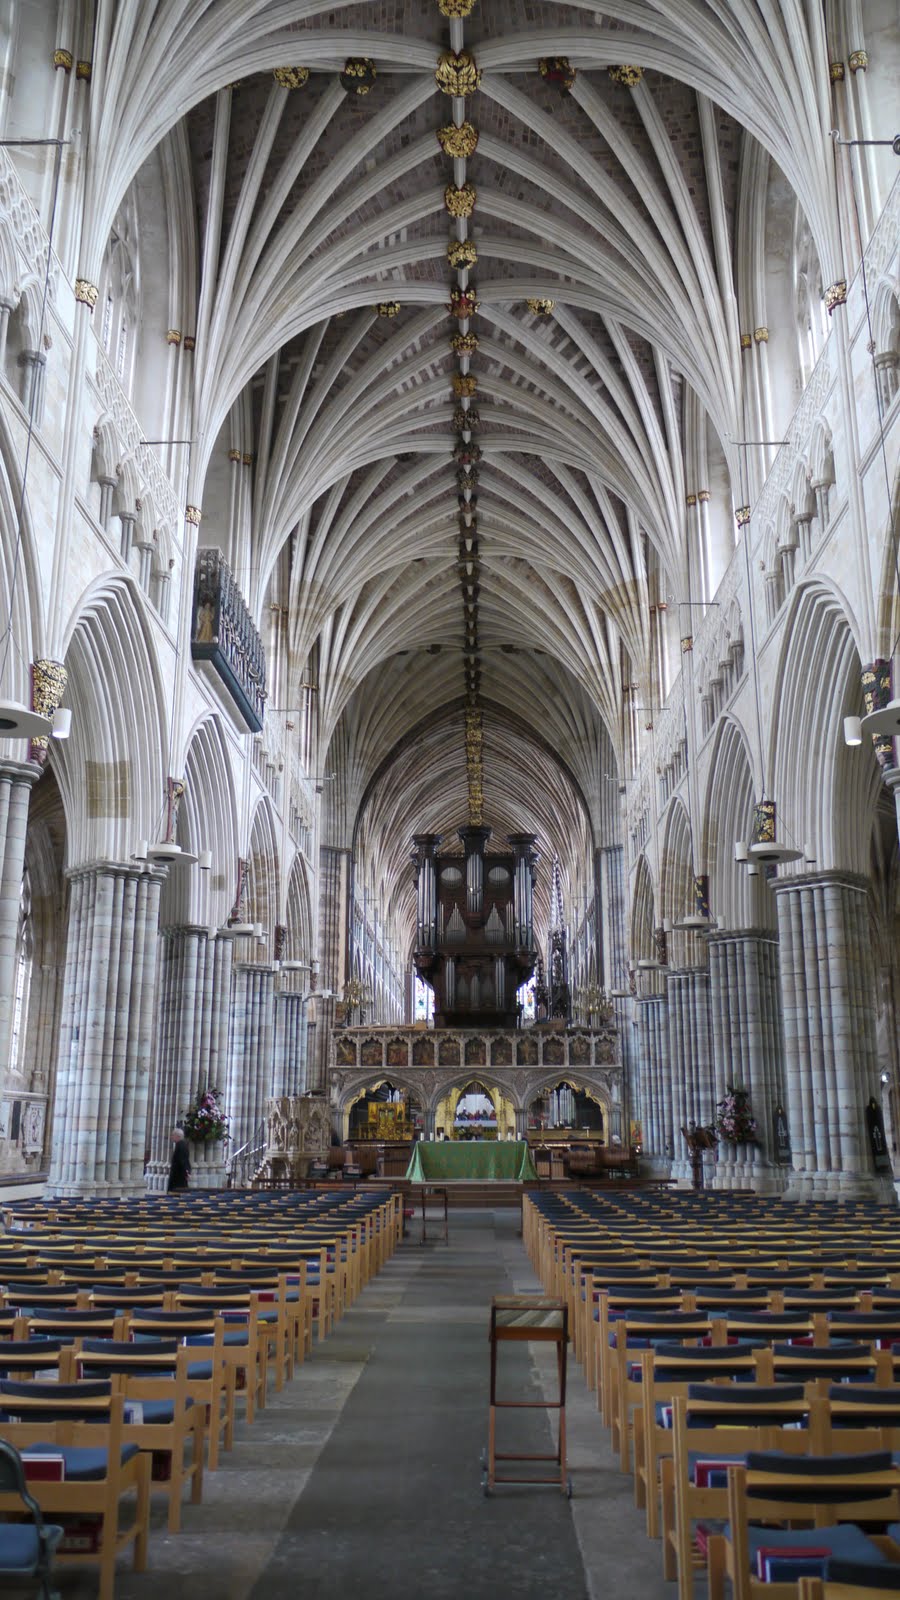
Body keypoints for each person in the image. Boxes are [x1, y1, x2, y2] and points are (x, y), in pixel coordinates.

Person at [167, 1126, 191, 1192]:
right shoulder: (182, 1145)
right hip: (179, 1176)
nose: (171, 1137)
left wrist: (186, 1172)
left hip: (178, 1178)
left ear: (177, 1136)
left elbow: (183, 1161)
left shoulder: (180, 1146)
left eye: (173, 1135)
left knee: (176, 1194)